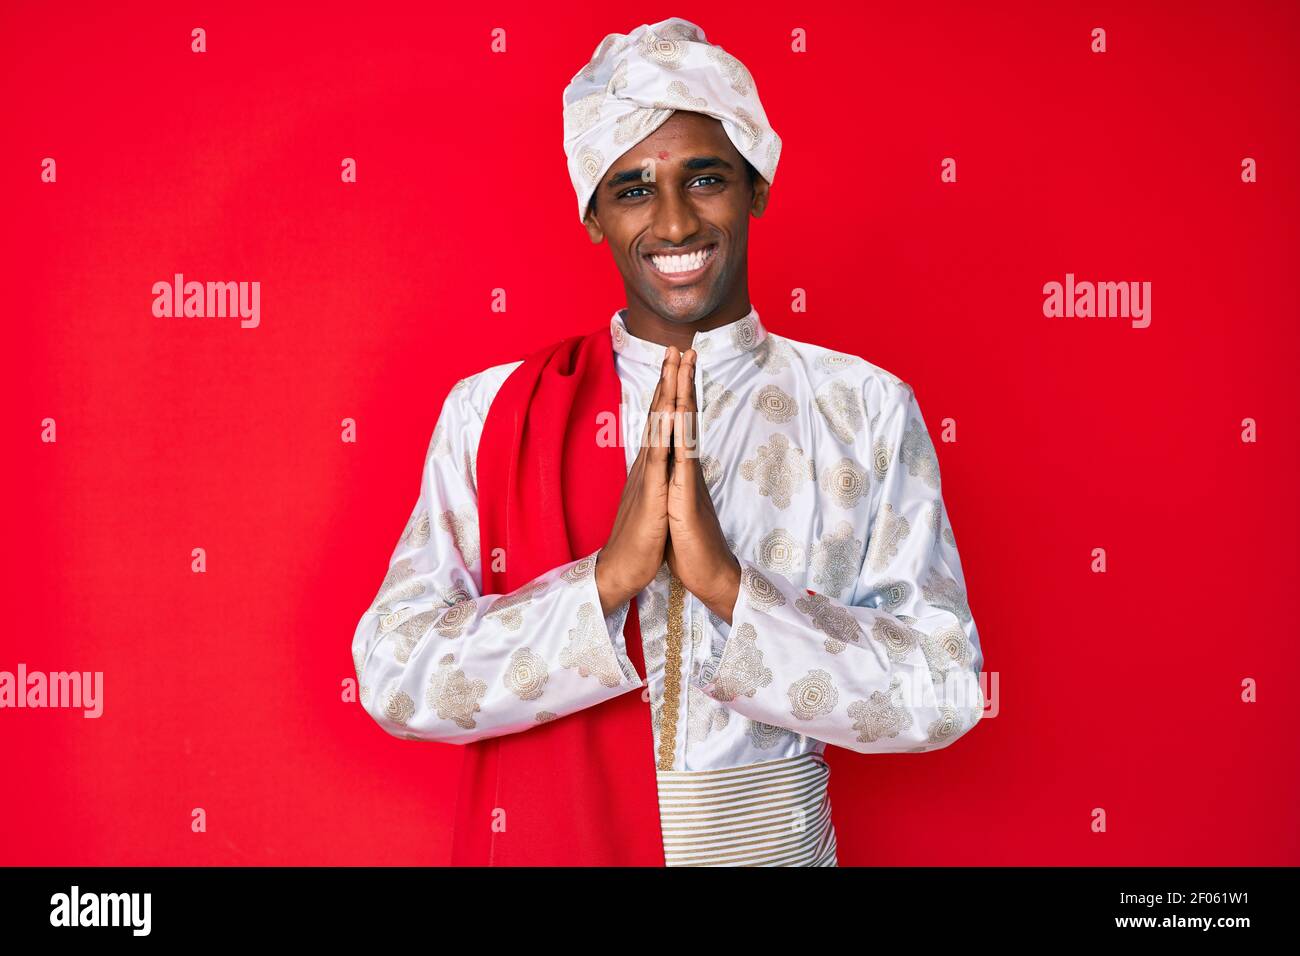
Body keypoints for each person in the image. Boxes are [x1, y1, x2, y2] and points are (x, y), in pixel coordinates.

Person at [351, 16, 985, 867]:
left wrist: (731, 589)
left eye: (707, 178)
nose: (678, 224)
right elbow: (395, 673)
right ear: (592, 215)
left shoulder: (863, 407)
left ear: (757, 187)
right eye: (634, 188)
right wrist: (605, 582)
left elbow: (942, 691)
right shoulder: (492, 411)